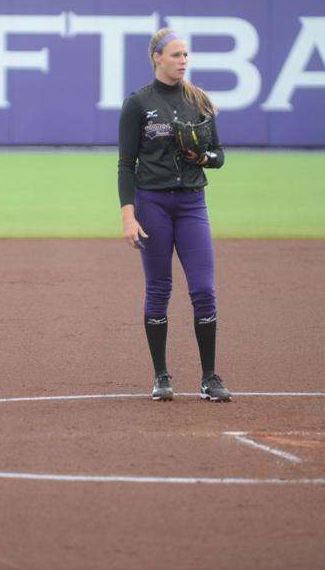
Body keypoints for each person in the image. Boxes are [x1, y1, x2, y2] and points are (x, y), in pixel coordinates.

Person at [118, 27, 232, 403]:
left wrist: (203, 158)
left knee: (203, 289)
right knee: (159, 289)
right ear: (157, 57)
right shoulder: (138, 104)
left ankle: (209, 377)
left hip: (191, 204)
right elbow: (126, 165)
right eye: (176, 55)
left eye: (186, 55)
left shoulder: (199, 100)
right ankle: (161, 376)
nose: (183, 61)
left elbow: (219, 156)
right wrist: (128, 216)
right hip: (152, 204)